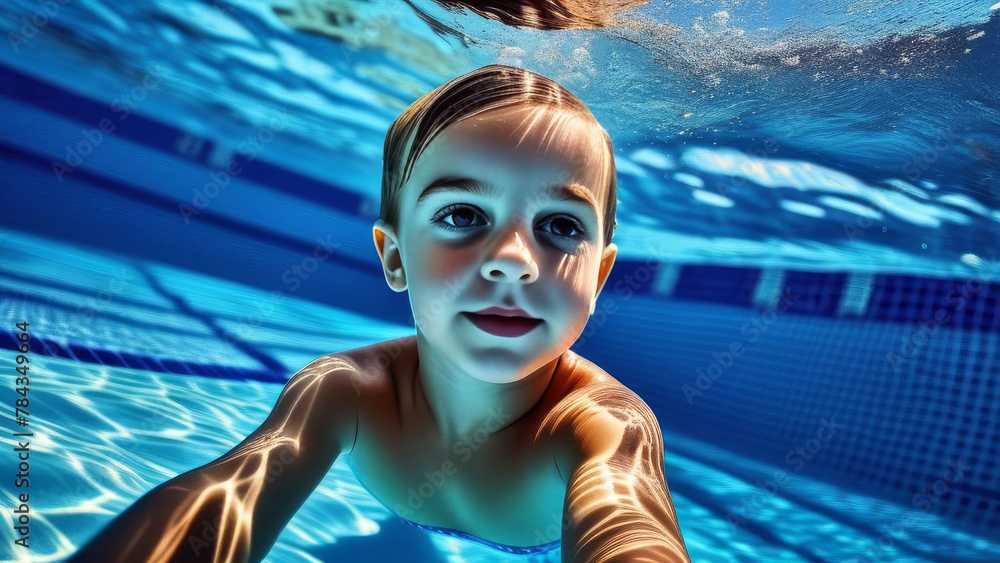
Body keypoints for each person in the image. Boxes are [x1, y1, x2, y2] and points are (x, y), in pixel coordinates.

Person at [69, 64, 691, 563]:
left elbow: (629, 525)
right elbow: (227, 496)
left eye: (559, 226)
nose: (512, 261)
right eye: (462, 216)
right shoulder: (344, 393)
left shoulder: (603, 429)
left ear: (599, 276)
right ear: (395, 257)